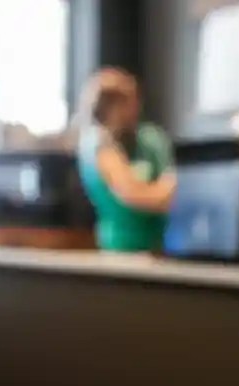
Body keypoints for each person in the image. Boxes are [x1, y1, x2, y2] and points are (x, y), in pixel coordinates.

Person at [76, 68, 177, 253]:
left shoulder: (148, 139)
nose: (136, 107)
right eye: (129, 101)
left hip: (154, 246)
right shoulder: (97, 145)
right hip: (122, 250)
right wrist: (167, 191)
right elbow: (132, 193)